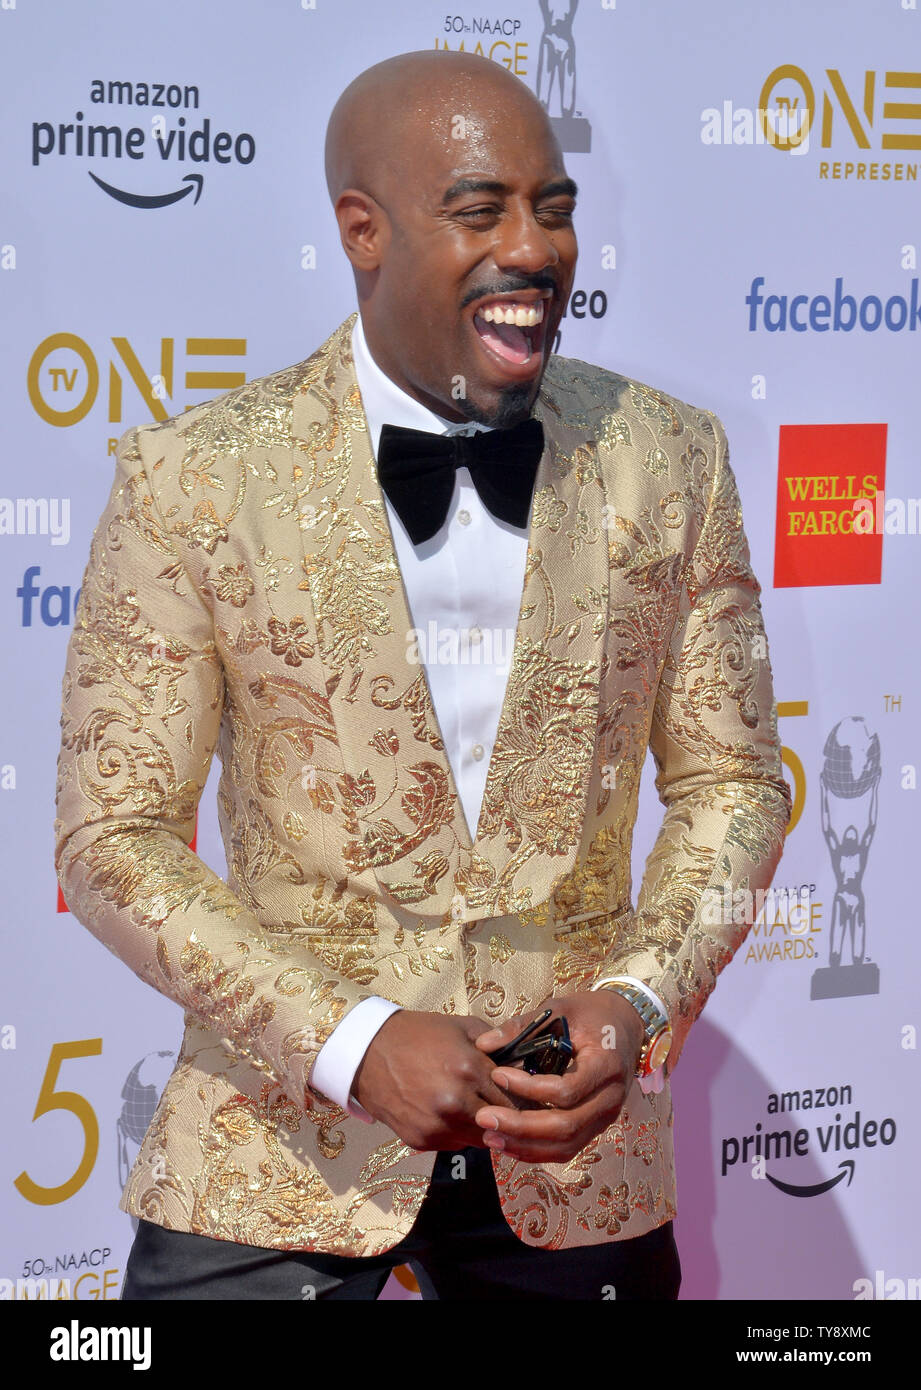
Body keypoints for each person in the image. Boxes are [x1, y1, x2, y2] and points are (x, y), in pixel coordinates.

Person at [54, 49, 791, 1300]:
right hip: (273, 1152)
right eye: (481, 209)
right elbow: (111, 837)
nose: (535, 249)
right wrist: (351, 1041)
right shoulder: (196, 478)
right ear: (362, 229)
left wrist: (635, 1001)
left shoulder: (671, 458)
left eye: (552, 210)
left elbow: (739, 783)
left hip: (578, 1161)